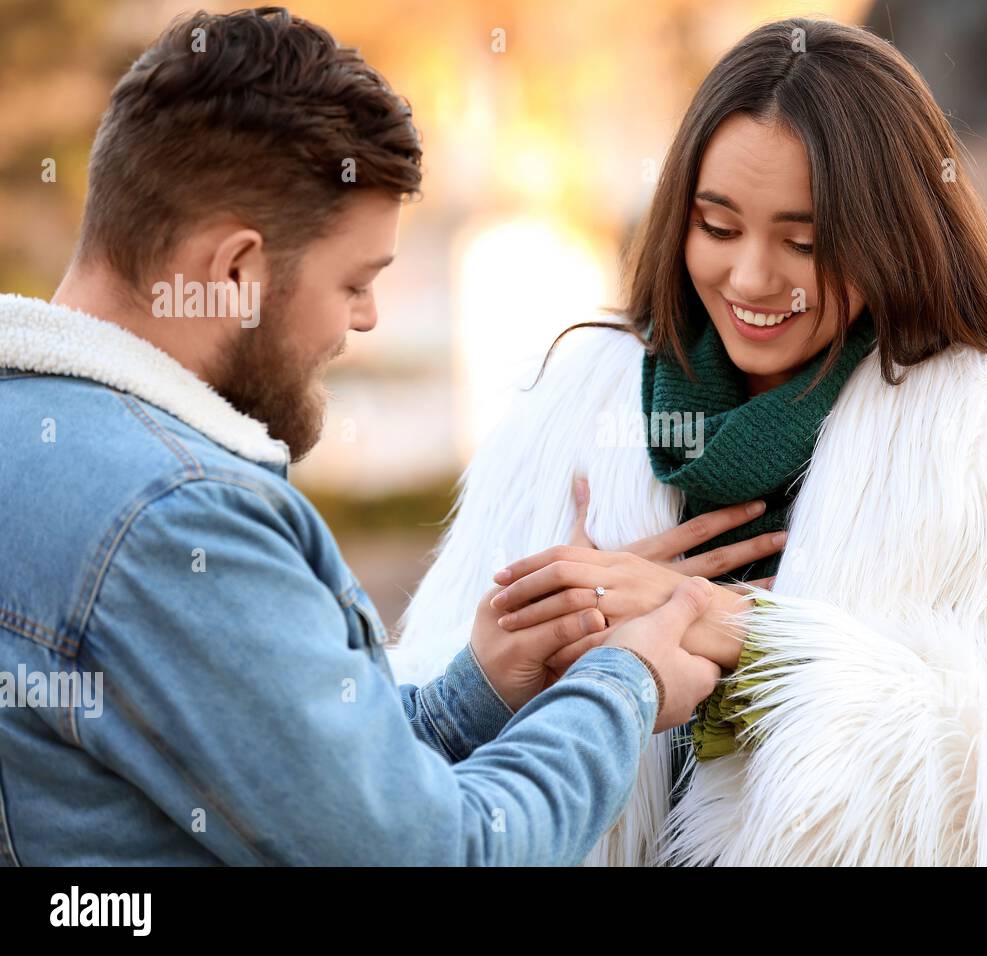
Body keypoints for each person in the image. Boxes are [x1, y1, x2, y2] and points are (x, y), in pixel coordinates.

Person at [394, 17, 987, 865]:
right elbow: (403, 770)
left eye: (805, 242)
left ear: (890, 234)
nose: (752, 279)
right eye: (718, 228)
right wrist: (537, 656)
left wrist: (745, 638)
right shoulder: (573, 408)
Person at [0, 6, 729, 866]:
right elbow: (436, 856)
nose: (370, 318)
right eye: (356, 281)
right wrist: (628, 684)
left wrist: (479, 690)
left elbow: (298, 797)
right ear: (235, 273)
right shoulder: (175, 519)